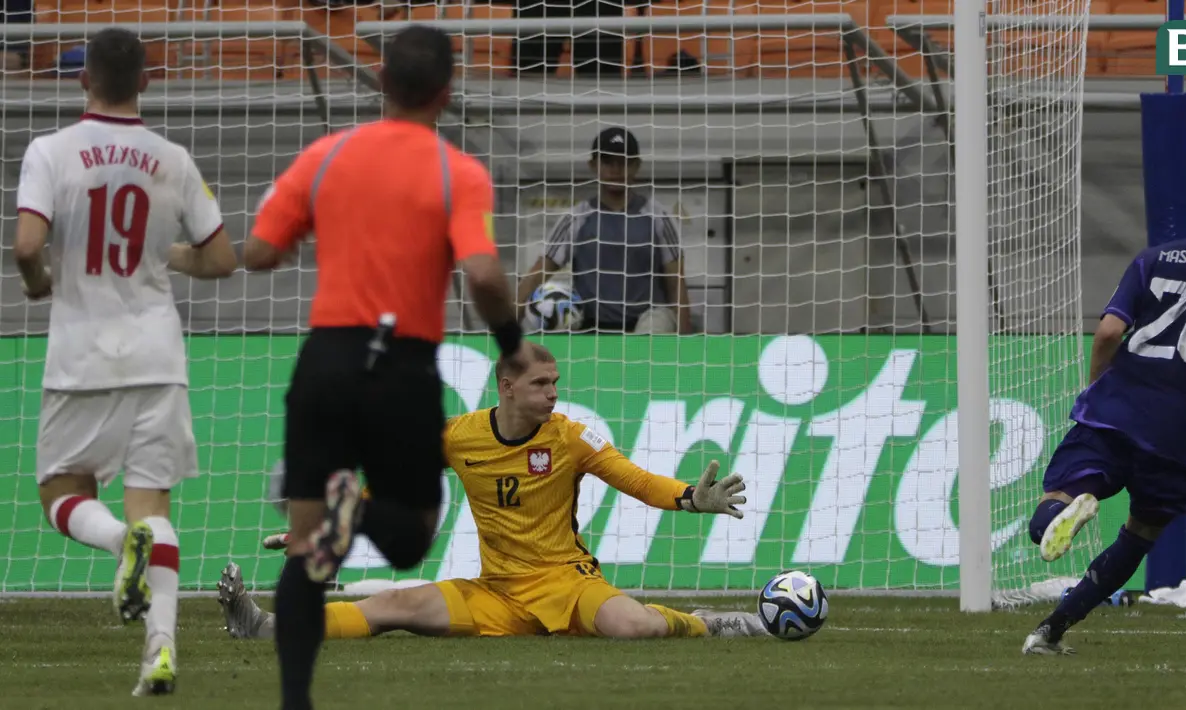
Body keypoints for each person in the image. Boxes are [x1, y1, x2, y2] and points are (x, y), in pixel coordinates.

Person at [242, 24, 527, 710]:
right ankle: (358, 514)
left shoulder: (326, 155)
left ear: (379, 83)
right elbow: (483, 272)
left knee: (308, 551)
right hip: (399, 366)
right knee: (408, 538)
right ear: (447, 92)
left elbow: (256, 251)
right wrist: (510, 340)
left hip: (325, 362)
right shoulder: (456, 170)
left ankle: (293, 702)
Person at [218, 343, 762, 642]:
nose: (553, 394)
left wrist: (691, 496)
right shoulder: (459, 436)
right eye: (540, 384)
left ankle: (706, 621)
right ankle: (263, 625)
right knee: (390, 606)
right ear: (506, 387)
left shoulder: (572, 437)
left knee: (635, 626)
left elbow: (636, 480)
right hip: (497, 591)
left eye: (554, 383)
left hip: (567, 582)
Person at [12, 28, 237, 695]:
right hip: (156, 354)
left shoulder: (50, 151)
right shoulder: (171, 158)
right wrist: (162, 255)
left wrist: (37, 282)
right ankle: (160, 652)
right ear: (146, 80)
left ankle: (116, 545)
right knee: (154, 506)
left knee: (59, 491)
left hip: (80, 354)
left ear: (83, 80)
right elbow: (222, 259)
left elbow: (28, 244)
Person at [1022, 163, 1186, 656]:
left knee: (1054, 501)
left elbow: (1110, 333)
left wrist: (1099, 391)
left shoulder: (1155, 258)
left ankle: (1065, 510)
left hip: (1120, 409)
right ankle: (1050, 631)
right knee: (1141, 533)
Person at [517, 127, 695, 334]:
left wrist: (686, 346)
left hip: (646, 326)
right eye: (608, 162)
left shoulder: (658, 217)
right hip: (592, 327)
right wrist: (504, 331)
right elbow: (537, 274)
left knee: (658, 321)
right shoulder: (576, 218)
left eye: (624, 162)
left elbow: (676, 285)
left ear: (636, 166)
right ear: (593, 165)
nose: (616, 170)